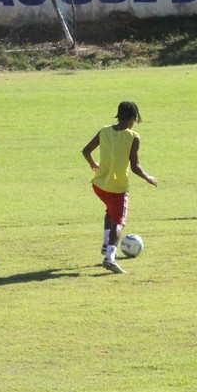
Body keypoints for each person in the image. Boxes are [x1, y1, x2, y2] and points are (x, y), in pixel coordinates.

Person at [81, 101, 157, 274]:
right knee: (119, 221)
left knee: (110, 211)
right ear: (133, 117)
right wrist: (148, 177)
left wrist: (94, 164)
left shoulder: (104, 131)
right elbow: (135, 166)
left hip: (100, 185)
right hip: (118, 187)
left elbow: (86, 150)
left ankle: (105, 244)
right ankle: (110, 257)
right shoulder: (133, 137)